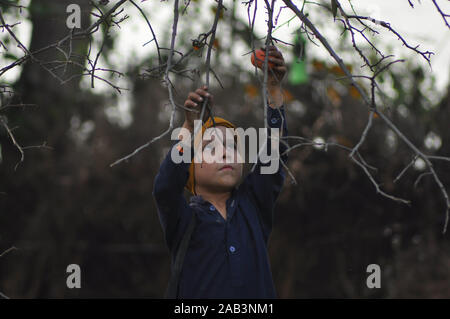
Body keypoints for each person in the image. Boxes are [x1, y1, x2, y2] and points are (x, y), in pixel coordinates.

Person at [153, 45, 289, 298]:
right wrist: (188, 127)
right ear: (189, 169)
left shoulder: (253, 205)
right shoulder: (185, 220)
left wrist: (273, 90)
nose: (225, 152)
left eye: (231, 145)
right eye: (210, 147)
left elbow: (275, 150)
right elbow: (164, 187)